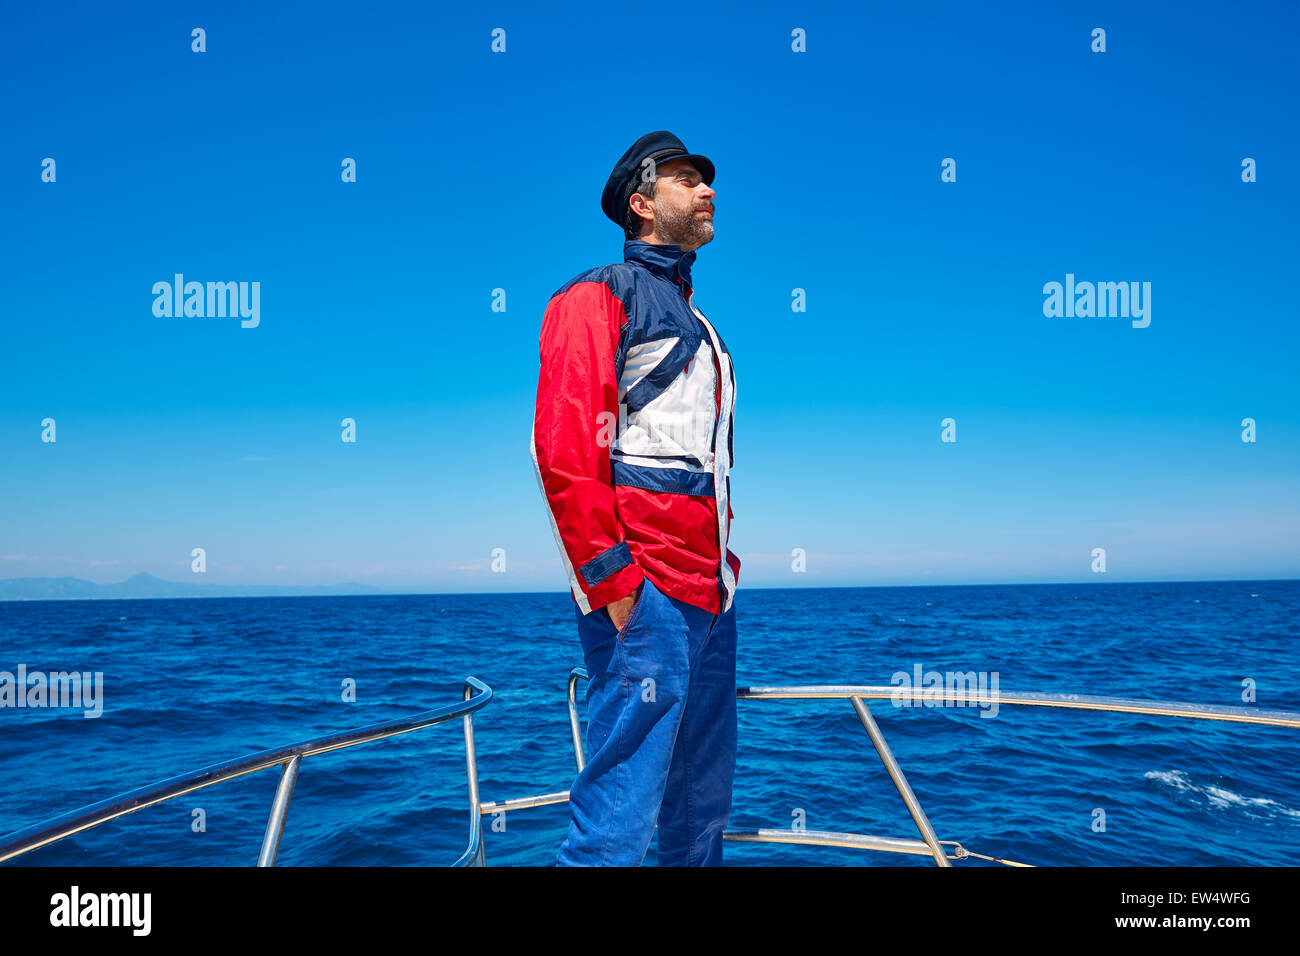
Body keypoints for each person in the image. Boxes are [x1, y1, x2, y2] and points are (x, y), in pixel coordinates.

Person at [530, 130, 741, 866]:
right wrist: (617, 584)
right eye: (690, 179)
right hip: (644, 595)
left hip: (709, 598)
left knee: (700, 808)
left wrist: (724, 574)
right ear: (642, 204)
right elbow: (562, 447)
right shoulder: (600, 294)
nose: (709, 190)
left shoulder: (705, 328)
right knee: (619, 814)